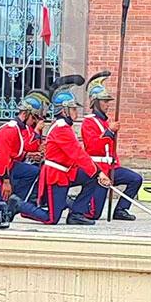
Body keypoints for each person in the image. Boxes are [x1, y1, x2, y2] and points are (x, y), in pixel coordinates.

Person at [10, 75, 112, 225]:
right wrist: (98, 171)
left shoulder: (65, 127)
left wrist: (96, 173)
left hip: (67, 172)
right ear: (65, 111)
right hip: (56, 175)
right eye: (73, 109)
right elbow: (77, 153)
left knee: (92, 178)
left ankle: (76, 212)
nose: (76, 112)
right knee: (52, 218)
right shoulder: (61, 129)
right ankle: (19, 205)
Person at [81, 71, 142, 221]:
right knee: (93, 214)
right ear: (96, 102)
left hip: (111, 167)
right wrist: (109, 132)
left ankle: (121, 209)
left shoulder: (105, 122)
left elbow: (110, 149)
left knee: (135, 179)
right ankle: (72, 203)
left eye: (108, 101)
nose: (108, 105)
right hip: (98, 169)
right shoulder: (88, 122)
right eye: (104, 101)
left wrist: (116, 163)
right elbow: (93, 146)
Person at [0, 90, 49, 201]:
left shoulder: (17, 128)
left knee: (33, 171)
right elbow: (3, 156)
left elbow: (14, 152)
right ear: (25, 114)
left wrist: (28, 155)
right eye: (33, 118)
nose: (34, 121)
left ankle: (16, 200)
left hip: (7, 166)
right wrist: (6, 181)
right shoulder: (10, 130)